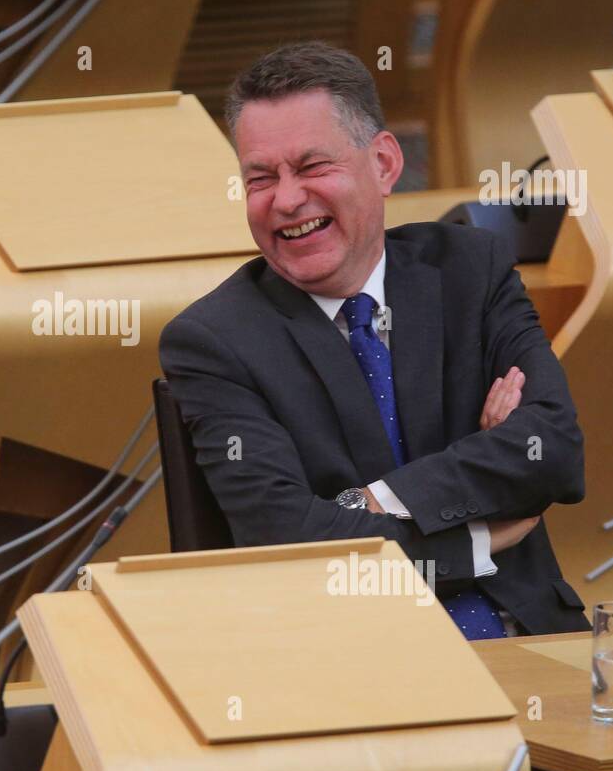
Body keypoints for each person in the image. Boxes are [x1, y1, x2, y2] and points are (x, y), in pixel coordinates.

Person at [159, 41, 589, 638]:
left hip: (535, 638)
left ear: (384, 164)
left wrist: (367, 502)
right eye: (261, 178)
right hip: (354, 663)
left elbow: (555, 453)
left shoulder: (471, 268)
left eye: (312, 167)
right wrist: (472, 537)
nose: (286, 200)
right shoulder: (213, 341)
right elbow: (287, 540)